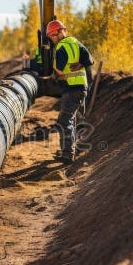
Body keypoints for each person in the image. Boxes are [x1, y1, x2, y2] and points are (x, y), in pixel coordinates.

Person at [47, 20, 94, 163]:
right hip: (81, 88)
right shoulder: (76, 43)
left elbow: (60, 69)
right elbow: (90, 61)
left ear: (58, 33)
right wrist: (80, 64)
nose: (52, 40)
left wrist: (53, 69)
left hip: (71, 89)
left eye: (52, 37)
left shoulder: (61, 47)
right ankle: (69, 150)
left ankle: (67, 155)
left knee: (64, 121)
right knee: (71, 120)